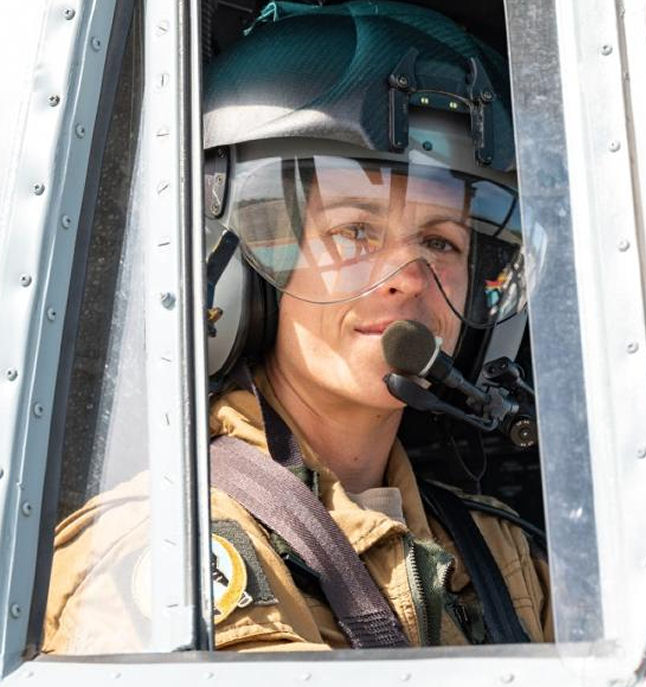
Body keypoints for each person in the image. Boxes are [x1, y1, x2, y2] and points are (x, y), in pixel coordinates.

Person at [42, 0, 550, 653]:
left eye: (441, 240)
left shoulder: (499, 556)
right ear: (245, 271)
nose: (408, 276)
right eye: (355, 231)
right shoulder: (173, 548)